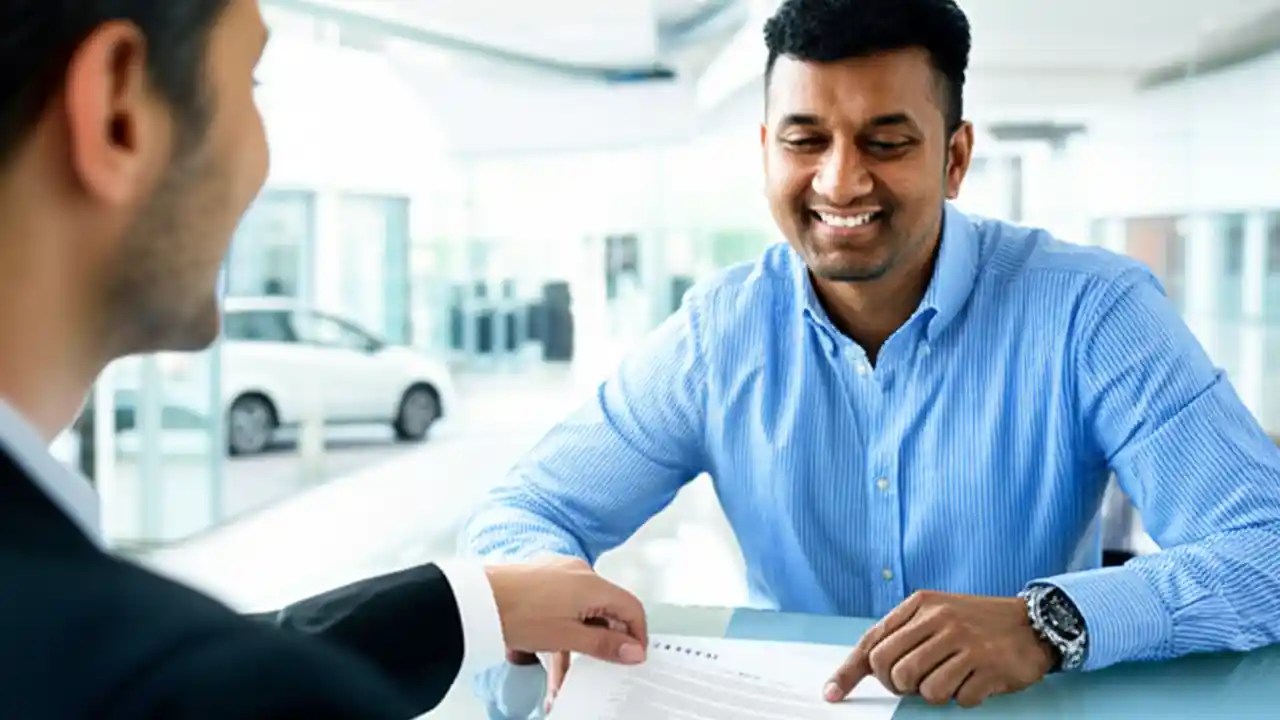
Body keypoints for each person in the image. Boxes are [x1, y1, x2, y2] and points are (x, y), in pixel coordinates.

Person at [464, 0, 1280, 709]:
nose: (840, 181)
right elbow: (522, 512)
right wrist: (546, 580)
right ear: (766, 152)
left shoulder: (1092, 312)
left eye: (886, 142)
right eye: (805, 139)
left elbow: (1266, 547)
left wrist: (1047, 622)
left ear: (954, 158)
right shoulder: (720, 334)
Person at [0, 0, 648, 717]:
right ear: (118, 111)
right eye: (250, 83)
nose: (262, 158)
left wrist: (477, 604)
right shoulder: (178, 684)